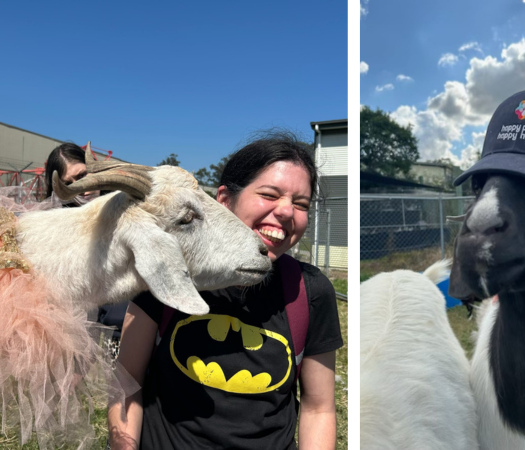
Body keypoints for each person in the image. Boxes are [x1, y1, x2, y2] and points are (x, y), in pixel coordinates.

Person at [108, 132, 343, 449]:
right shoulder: (165, 270)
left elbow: (319, 408)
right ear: (224, 199)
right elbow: (127, 382)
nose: (287, 211)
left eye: (300, 204)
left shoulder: (311, 291)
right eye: (270, 195)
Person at [45, 142, 129, 357]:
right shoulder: (61, 225)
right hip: (88, 324)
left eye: (81, 176)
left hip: (131, 318)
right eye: (68, 183)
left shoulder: (125, 205)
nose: (82, 188)